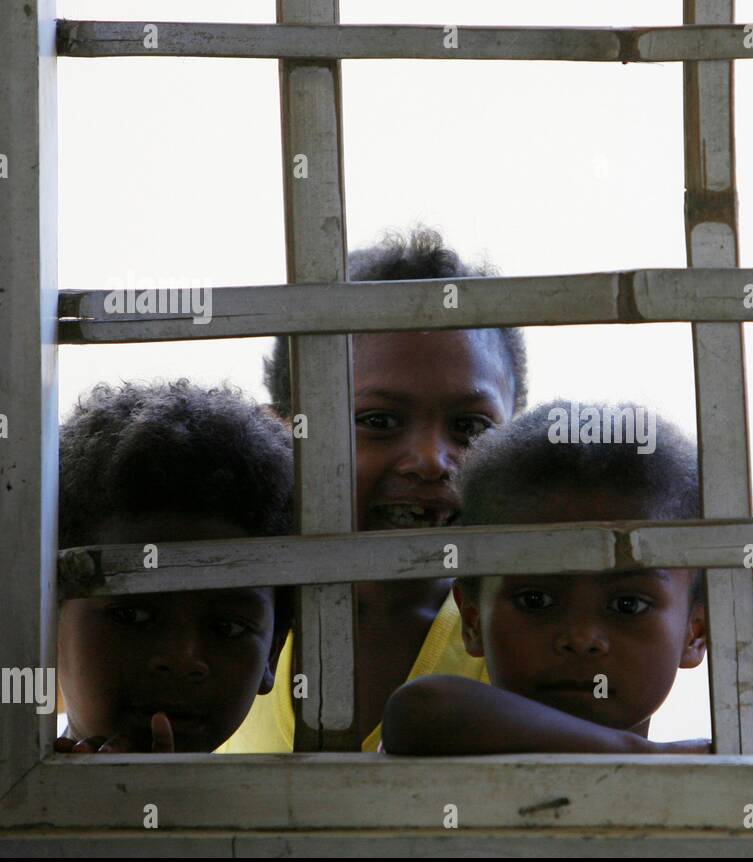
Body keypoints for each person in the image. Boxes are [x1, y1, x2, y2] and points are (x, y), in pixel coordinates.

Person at [218, 226, 527, 752]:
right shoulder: (229, 627)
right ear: (284, 433)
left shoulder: (531, 643)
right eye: (378, 420)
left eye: (470, 427)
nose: (431, 461)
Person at [383, 401, 709, 754]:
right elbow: (421, 709)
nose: (581, 638)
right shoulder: (442, 737)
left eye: (628, 605)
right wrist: (649, 757)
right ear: (473, 620)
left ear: (695, 633)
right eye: (536, 600)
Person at [56, 381, 293, 753]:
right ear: (46, 626)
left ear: (272, 655)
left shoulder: (303, 792)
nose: (182, 658)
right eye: (131, 615)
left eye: (227, 628)